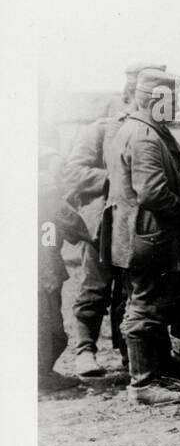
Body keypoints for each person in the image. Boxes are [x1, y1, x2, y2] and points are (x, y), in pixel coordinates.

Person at [104, 69, 180, 406]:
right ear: (157, 100)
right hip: (147, 234)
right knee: (143, 305)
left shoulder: (135, 128)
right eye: (172, 99)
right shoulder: (144, 136)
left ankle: (158, 367)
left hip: (137, 233)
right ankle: (142, 385)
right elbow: (153, 193)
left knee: (149, 300)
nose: (176, 106)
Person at [62, 62, 163, 377]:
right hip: (102, 223)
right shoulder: (101, 128)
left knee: (129, 293)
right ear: (130, 92)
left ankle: (128, 355)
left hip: (134, 224)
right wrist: (115, 179)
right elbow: (73, 171)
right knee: (95, 288)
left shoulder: (152, 128)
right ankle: (85, 350)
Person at [39, 147, 92, 395]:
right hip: (44, 271)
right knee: (51, 332)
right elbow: (75, 227)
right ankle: (41, 377)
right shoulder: (48, 192)